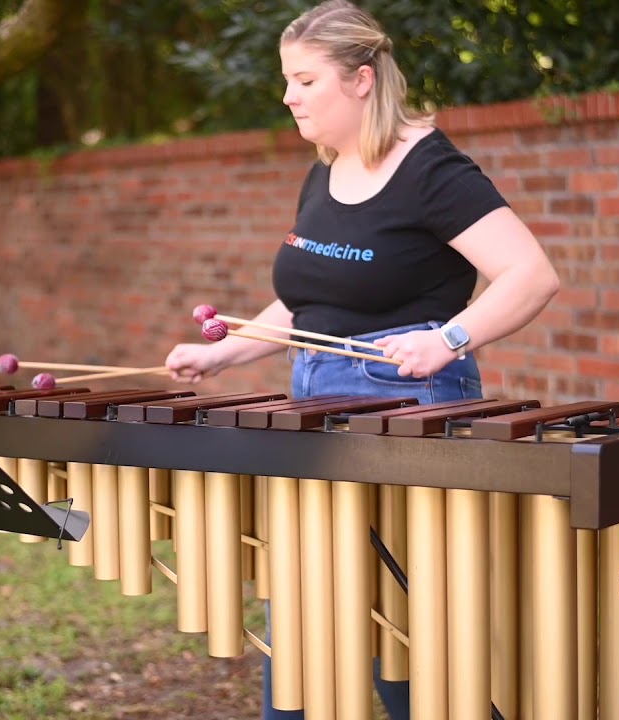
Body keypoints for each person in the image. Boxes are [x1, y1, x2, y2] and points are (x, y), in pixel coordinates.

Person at [164, 1, 560, 718]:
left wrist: (449, 339)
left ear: (362, 81)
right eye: (288, 80)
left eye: (305, 80)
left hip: (409, 419)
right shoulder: (327, 172)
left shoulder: (432, 170)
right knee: (309, 638)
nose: (288, 96)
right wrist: (227, 353)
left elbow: (531, 275)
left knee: (418, 652)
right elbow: (311, 309)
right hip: (313, 417)